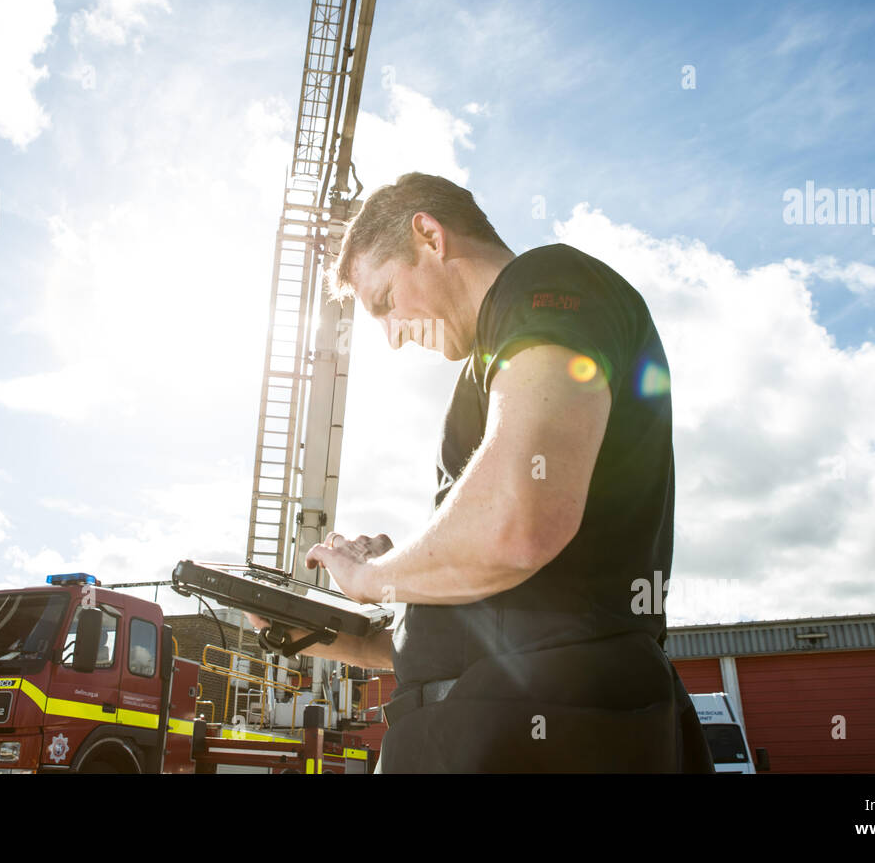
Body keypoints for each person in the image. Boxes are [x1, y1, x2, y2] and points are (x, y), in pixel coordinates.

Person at [249, 172, 714, 773]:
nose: (392, 338)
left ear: (429, 236)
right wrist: (328, 630)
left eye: (386, 302)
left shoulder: (546, 282)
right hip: (503, 724)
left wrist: (371, 577)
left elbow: (517, 524)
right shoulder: (493, 362)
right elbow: (504, 609)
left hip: (536, 733)